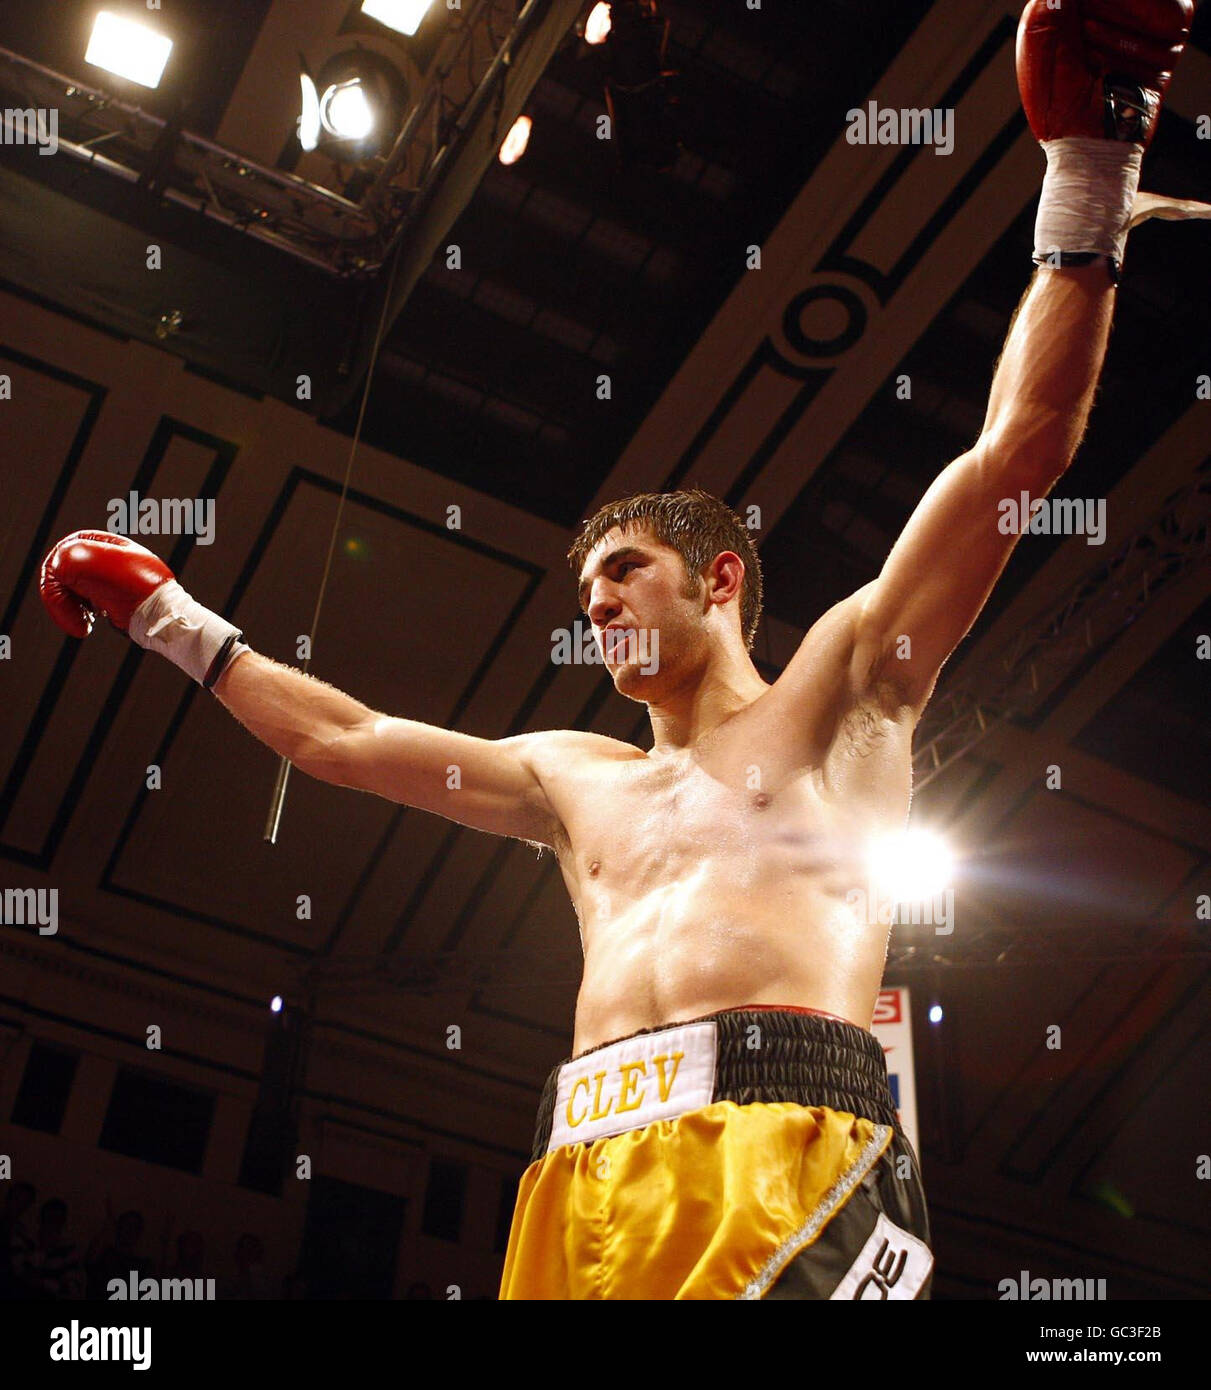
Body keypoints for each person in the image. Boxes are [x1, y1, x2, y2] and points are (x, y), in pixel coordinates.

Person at [37, 0, 1196, 1298]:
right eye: (585, 587)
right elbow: (341, 740)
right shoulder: (565, 773)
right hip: (579, 1170)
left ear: (719, 578)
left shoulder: (843, 684)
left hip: (782, 1149)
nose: (595, 601)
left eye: (622, 570)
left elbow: (1014, 455)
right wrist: (165, 614)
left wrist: (1087, 180)